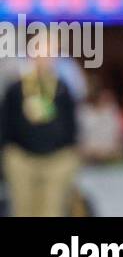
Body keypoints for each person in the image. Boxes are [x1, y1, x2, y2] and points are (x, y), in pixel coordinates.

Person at [0, 41, 80, 216]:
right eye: (41, 55)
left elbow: (72, 125)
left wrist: (70, 153)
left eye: (49, 55)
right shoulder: (16, 88)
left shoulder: (62, 88)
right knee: (23, 210)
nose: (45, 60)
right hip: (22, 158)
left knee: (51, 210)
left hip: (56, 159)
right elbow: (5, 123)